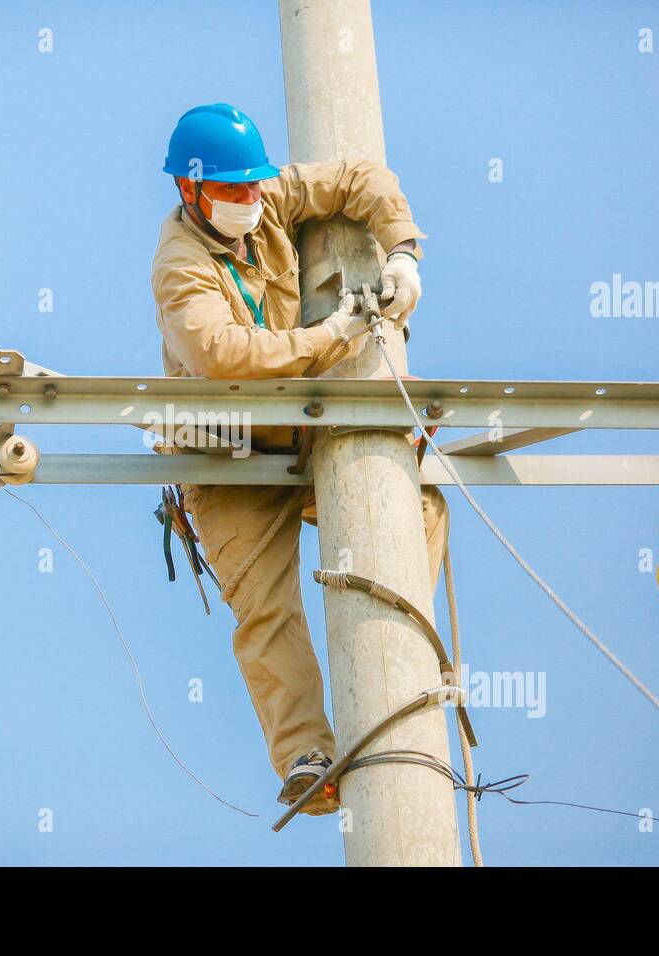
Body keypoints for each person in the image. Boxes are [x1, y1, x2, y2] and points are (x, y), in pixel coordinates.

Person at [150, 103, 447, 815]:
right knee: (265, 608)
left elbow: (360, 179)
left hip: (304, 435)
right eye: (233, 189)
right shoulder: (180, 265)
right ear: (190, 190)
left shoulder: (267, 197)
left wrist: (402, 253)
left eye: (255, 184)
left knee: (418, 507)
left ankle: (399, 665)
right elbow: (224, 356)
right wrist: (332, 336)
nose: (251, 198)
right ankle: (306, 755)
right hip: (227, 457)